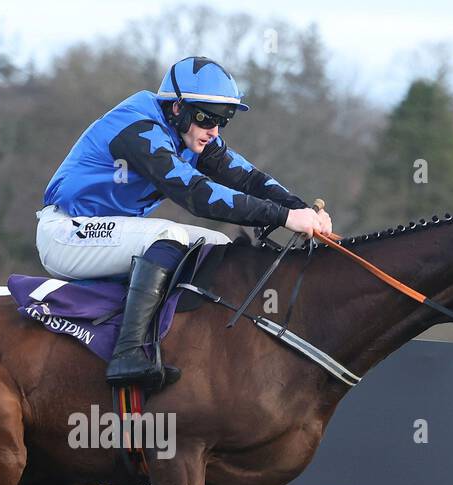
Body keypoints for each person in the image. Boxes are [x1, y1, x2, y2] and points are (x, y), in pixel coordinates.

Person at [38, 55, 332, 390]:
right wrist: (283, 217)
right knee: (169, 234)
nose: (214, 130)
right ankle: (128, 353)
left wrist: (303, 209)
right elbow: (195, 194)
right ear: (177, 108)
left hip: (106, 235)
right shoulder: (138, 130)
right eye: (207, 117)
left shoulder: (192, 134)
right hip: (66, 234)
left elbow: (249, 178)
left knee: (219, 247)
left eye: (224, 119)